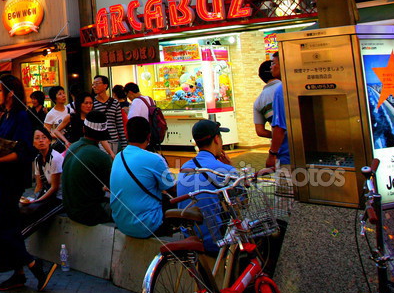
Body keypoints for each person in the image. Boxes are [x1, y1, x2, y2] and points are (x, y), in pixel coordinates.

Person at [0, 75, 56, 292]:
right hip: (0, 178)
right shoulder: (8, 116)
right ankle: (18, 274)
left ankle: (32, 263)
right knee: (9, 227)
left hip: (11, 180)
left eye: (0, 91)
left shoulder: (21, 117)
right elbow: (3, 144)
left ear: (11, 93)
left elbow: (23, 152)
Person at [176, 119, 239, 253]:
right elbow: (243, 202)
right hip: (216, 242)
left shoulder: (184, 168)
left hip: (190, 235)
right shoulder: (224, 169)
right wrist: (230, 166)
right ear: (217, 139)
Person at [109, 117, 175, 238]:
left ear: (126, 134)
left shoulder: (119, 156)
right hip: (147, 225)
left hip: (121, 223)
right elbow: (171, 188)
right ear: (149, 136)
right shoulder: (154, 159)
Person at [61, 110, 113, 226]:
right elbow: (114, 188)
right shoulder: (101, 156)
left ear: (84, 129)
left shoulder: (72, 147)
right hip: (88, 213)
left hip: (69, 208)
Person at [20, 127, 64, 234]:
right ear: (33, 143)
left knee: (33, 212)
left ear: (49, 140)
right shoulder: (38, 159)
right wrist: (32, 199)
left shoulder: (55, 158)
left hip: (59, 199)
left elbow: (55, 187)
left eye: (44, 138)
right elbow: (39, 186)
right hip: (47, 196)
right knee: (21, 208)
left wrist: (37, 201)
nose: (41, 140)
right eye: (37, 138)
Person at [265, 52, 289, 170]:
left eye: (274, 63)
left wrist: (272, 154)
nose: (271, 66)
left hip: (286, 156)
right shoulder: (295, 86)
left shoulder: (281, 90)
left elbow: (279, 127)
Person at [92, 75, 126, 156]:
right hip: (99, 141)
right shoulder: (92, 103)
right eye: (93, 84)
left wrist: (124, 145)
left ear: (105, 85)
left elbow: (119, 125)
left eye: (97, 83)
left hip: (113, 140)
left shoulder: (115, 102)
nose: (94, 86)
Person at [253, 57, 281, 140]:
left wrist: (278, 135)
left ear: (260, 76)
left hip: (279, 147)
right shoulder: (286, 87)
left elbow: (260, 131)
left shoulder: (258, 101)